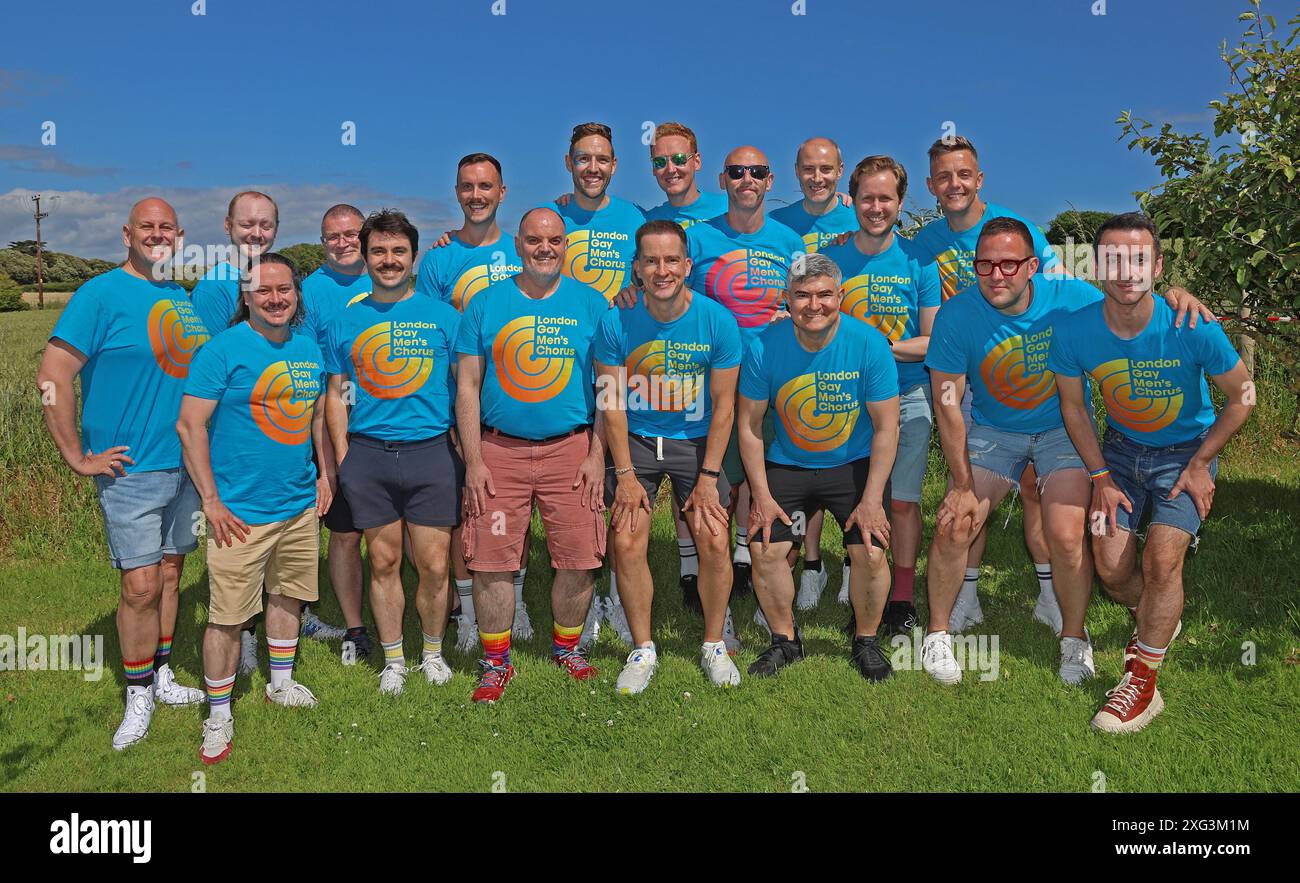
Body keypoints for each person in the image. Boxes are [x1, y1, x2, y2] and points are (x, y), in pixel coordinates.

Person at [921, 217, 1211, 686]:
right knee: (957, 522)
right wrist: (960, 484)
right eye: (985, 265)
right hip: (994, 431)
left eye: (1009, 264)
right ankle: (937, 633)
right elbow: (948, 405)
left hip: (1061, 431)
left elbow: (1132, 297)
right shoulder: (958, 315)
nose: (997, 275)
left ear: (1033, 266)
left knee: (1068, 533)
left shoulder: (1071, 297)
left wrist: (1176, 292)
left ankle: (1074, 639)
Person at [1050, 212, 1252, 732]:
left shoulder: (1191, 324)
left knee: (1164, 560)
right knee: (1113, 568)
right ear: (1097, 267)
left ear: (1157, 266)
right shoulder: (1074, 330)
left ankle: (1141, 680)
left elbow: (1242, 396)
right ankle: (1159, 615)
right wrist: (1099, 477)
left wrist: (1204, 463)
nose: (1126, 269)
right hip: (1117, 456)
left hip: (1185, 457)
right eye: (1114, 258)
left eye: (1138, 258)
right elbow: (1074, 408)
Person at [38, 197, 208, 751]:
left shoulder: (180, 299)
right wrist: (75, 454)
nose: (157, 235)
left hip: (183, 466)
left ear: (178, 236)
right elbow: (53, 374)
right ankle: (138, 694)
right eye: (146, 227)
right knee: (138, 587)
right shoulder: (99, 294)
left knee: (169, 576)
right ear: (126, 234)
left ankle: (160, 674)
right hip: (131, 470)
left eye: (166, 227)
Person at [177, 253, 333, 764]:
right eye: (263, 291)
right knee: (226, 618)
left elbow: (313, 422)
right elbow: (189, 426)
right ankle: (219, 714)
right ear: (246, 297)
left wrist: (325, 475)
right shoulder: (222, 350)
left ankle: (280, 684)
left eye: (284, 289)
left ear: (296, 294)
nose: (275, 298)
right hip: (239, 514)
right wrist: (211, 501)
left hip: (297, 505)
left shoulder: (309, 350)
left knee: (288, 597)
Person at [455, 207, 609, 703]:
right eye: (535, 240)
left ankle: (567, 649)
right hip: (500, 452)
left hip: (572, 450)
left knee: (579, 556)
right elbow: (468, 386)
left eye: (556, 240)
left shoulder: (593, 304)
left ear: (567, 246)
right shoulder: (485, 303)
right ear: (518, 245)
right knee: (493, 561)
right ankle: (496, 664)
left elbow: (608, 386)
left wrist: (598, 453)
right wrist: (475, 460)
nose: (546, 248)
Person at [909, 138, 1062, 634]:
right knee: (967, 489)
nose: (955, 184)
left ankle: (1049, 596)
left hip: (1024, 369)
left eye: (964, 174)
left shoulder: (1019, 232)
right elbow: (879, 249)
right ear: (932, 186)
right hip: (963, 377)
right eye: (944, 177)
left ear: (980, 178)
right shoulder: (925, 243)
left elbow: (1061, 294)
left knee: (1036, 488)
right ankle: (965, 598)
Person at [595, 220, 743, 693]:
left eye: (671, 260)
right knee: (626, 539)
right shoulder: (615, 319)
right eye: (652, 261)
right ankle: (642, 648)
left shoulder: (717, 320)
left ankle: (714, 642)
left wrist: (708, 477)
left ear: (687, 265)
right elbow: (610, 402)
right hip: (636, 441)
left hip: (696, 442)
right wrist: (624, 473)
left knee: (715, 537)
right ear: (636, 268)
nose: (662, 270)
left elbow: (725, 408)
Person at [738, 253, 900, 680]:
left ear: (840, 296)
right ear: (787, 300)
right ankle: (785, 641)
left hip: (853, 463)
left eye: (825, 294)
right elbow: (750, 425)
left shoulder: (869, 344)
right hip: (787, 463)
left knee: (869, 547)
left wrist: (870, 500)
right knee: (765, 550)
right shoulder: (762, 346)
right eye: (803, 295)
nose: (814, 305)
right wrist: (761, 496)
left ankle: (866, 640)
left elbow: (886, 427)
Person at [323, 210, 463, 696]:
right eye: (379, 251)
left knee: (436, 564)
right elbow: (336, 394)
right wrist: (343, 457)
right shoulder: (346, 321)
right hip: (369, 456)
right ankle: (393, 661)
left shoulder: (445, 318)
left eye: (398, 251)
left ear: (413, 256)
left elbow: (464, 391)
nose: (388, 260)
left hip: (431, 454)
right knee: (381, 561)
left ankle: (432, 652)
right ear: (365, 256)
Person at [819, 155, 940, 632]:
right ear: (854, 199)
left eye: (885, 198)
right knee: (858, 499)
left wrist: (878, 349)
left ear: (901, 202)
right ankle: (864, 586)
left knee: (903, 501)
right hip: (844, 397)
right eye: (867, 197)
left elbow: (931, 342)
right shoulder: (832, 258)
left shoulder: (919, 261)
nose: (876, 207)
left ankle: (902, 599)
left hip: (906, 395)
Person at [414, 153, 528, 650]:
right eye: (467, 186)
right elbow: (431, 331)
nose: (476, 195)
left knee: (511, 509)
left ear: (502, 192)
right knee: (465, 509)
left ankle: (516, 603)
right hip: (453, 398)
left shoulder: (524, 253)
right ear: (456, 192)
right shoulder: (438, 259)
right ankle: (463, 610)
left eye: (486, 186)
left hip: (512, 399)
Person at [686, 145, 806, 604]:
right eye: (737, 172)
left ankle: (745, 560)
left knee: (762, 474)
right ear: (723, 180)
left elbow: (806, 302)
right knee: (716, 476)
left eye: (757, 171)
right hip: (708, 378)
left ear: (770, 180)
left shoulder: (790, 242)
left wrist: (790, 315)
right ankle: (700, 567)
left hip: (771, 379)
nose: (746, 179)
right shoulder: (698, 238)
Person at [301, 204, 373, 661]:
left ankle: (443, 614)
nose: (343, 242)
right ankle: (354, 627)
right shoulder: (310, 291)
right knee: (344, 531)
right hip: (333, 422)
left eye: (351, 234)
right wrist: (324, 460)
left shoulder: (395, 275)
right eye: (333, 236)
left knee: (401, 532)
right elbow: (310, 371)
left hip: (393, 425)